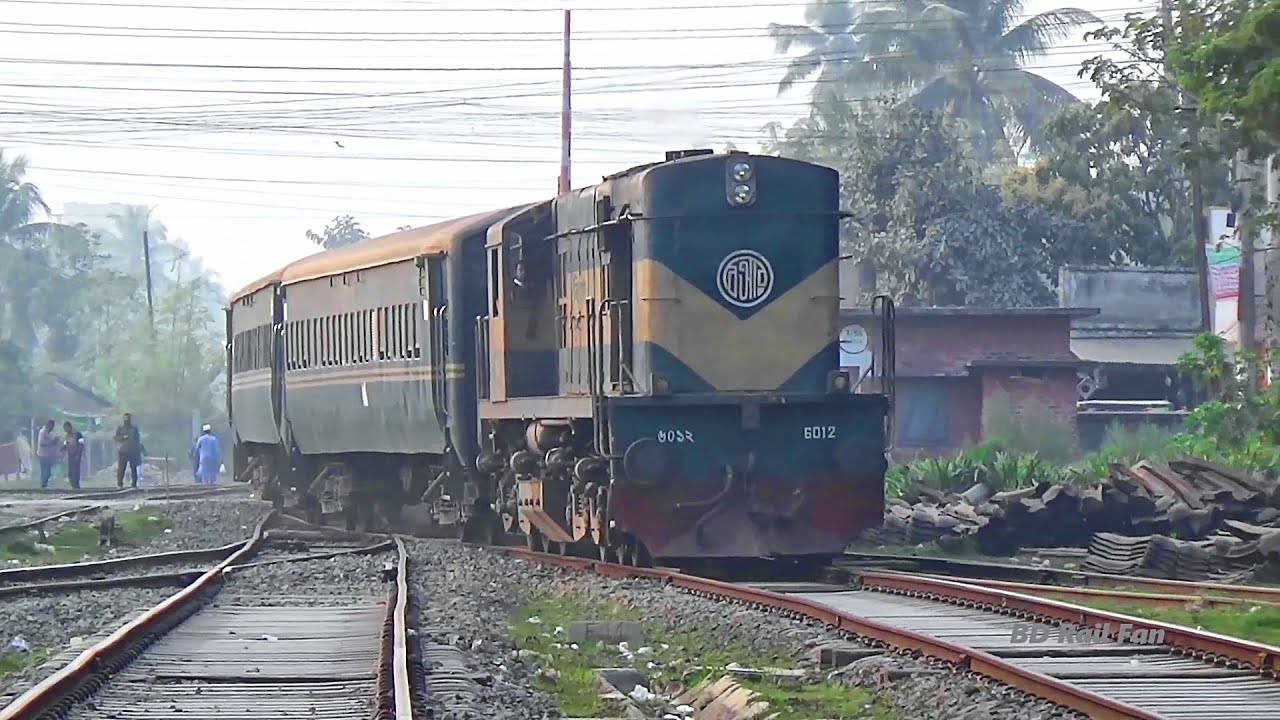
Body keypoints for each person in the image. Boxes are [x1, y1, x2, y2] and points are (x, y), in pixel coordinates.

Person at [113, 412, 142, 489]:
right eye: (125, 418)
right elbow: (116, 438)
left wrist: (139, 449)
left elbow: (137, 440)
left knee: (133, 468)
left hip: (132, 451)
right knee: (121, 468)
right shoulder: (120, 428)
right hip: (123, 451)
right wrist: (123, 437)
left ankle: (134, 484)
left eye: (128, 418)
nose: (127, 419)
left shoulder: (134, 429)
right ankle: (119, 484)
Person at [36, 420, 60, 489]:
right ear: (48, 425)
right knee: (45, 471)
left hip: (49, 455)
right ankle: (43, 485)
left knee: (48, 471)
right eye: (51, 426)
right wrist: (52, 442)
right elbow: (41, 443)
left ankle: (44, 484)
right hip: (43, 454)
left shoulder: (50, 433)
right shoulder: (42, 432)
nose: (52, 428)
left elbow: (52, 443)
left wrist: (55, 442)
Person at [62, 421, 85, 490]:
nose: (65, 430)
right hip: (70, 455)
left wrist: (79, 454)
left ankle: (76, 485)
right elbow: (65, 445)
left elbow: (81, 444)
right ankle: (73, 484)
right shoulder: (67, 436)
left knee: (76, 470)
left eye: (65, 428)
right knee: (71, 471)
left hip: (77, 454)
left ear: (69, 427)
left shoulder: (78, 434)